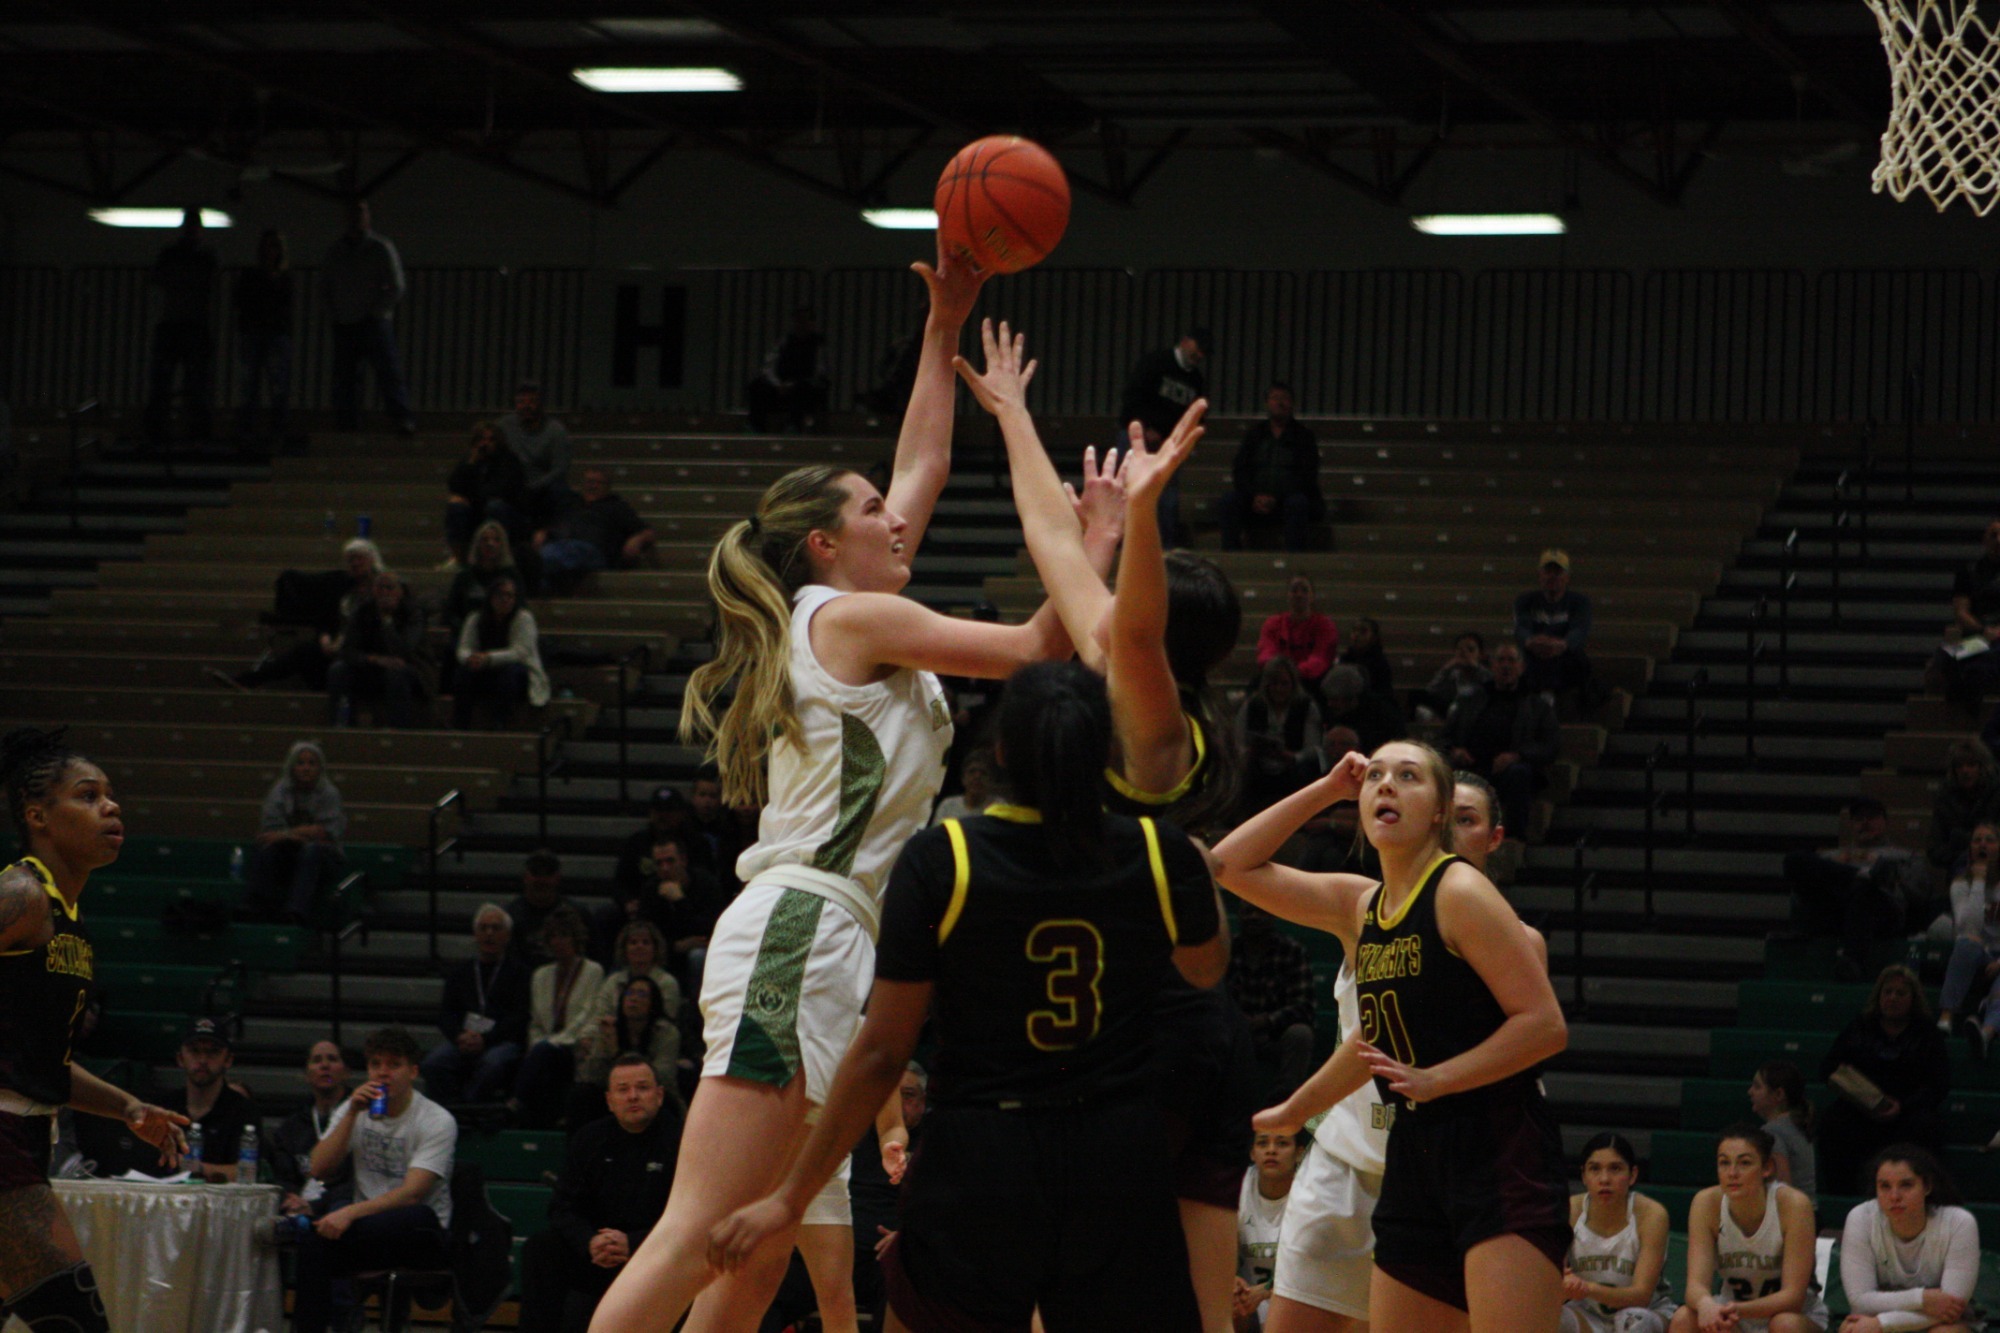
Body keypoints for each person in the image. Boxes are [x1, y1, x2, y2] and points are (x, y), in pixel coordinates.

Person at [589, 243, 1086, 1333]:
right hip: (800, 928)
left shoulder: (845, 612)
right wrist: (1088, 531)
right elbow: (1041, 640)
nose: (896, 514)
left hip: (832, 938)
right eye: (872, 509)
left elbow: (920, 466)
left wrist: (943, 326)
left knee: (752, 1253)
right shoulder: (845, 614)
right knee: (695, 1228)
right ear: (826, 542)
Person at [706, 659, 1229, 1333]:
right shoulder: (1159, 854)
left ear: (1002, 750)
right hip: (1115, 1153)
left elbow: (881, 1052)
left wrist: (789, 1195)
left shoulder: (942, 854)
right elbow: (1205, 967)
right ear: (1107, 751)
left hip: (982, 1153)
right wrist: (1197, 869)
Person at [958, 320, 1257, 1332]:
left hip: (1162, 1028)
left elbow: (1130, 625)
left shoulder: (1160, 731)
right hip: (1119, 1014)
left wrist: (1147, 517)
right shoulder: (1128, 674)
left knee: (1156, 1296)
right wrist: (1012, 416)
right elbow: (1050, 537)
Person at [1213, 751, 1556, 1333]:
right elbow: (1225, 865)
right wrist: (1325, 790)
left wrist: (1436, 1080)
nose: (1385, 787)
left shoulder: (1469, 899)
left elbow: (1544, 1026)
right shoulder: (1366, 906)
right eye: (1375, 777)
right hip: (1399, 1154)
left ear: (1441, 814)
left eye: (1406, 777)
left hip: (1489, 1145)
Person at [0, 727, 188, 1333]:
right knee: (75, 1318)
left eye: (111, 795)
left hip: (29, 1132)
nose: (111, 807)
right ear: (39, 817)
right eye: (87, 795)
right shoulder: (20, 894)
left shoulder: (69, 922)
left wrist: (129, 1106)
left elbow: (42, 1064)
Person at [297, 1026, 458, 1333]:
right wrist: (350, 1115)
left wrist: (348, 1214)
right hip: (366, 1227)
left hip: (421, 1231)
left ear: (412, 1071)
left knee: (405, 1213)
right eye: (375, 1065)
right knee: (313, 1241)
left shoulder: (436, 1120)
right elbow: (317, 1168)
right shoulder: (354, 1107)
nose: (383, 1073)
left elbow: (412, 1193)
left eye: (393, 1065)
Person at [523, 1055, 684, 1333]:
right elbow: (562, 1207)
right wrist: (590, 1241)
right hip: (598, 1251)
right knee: (541, 1248)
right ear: (610, 1101)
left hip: (656, 1253)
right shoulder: (589, 1139)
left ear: (659, 1095)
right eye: (623, 1090)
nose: (633, 1096)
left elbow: (687, 1217)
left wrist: (632, 1243)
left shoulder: (682, 1140)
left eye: (642, 1088)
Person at [1671, 1125, 1826, 1333]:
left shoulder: (1793, 1204)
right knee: (1683, 1318)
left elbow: (1793, 1298)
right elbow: (1695, 1287)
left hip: (1792, 1315)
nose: (1732, 1173)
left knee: (1785, 1324)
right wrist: (1707, 1305)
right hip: (1733, 1313)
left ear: (1767, 1167)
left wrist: (1733, 1310)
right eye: (1724, 1163)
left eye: (1744, 1163)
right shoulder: (1706, 1203)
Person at [1815, 965, 1951, 1196]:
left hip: (1909, 1110)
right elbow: (1829, 1069)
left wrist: (1902, 1106)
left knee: (1925, 1127)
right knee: (1833, 1123)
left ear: (1913, 999)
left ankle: (1921, 1194)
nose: (1892, 998)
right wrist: (1863, 1098)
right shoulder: (1860, 1027)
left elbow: (1939, 1084)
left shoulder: (1927, 1034)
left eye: (1900, 993)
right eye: (1887, 992)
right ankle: (1842, 1196)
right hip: (1861, 1107)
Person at [1837, 1144, 1979, 1333]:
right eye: (1885, 1186)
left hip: (1941, 1323)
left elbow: (1952, 1308)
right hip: (1875, 1318)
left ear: (1927, 1186)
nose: (1894, 1196)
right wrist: (1921, 1299)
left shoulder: (1959, 1223)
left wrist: (1882, 1324)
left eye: (1906, 1185)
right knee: (1853, 1329)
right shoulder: (1861, 1218)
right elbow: (1860, 1300)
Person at [211, 538, 383, 693]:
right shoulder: (342, 585)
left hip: (364, 653)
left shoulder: (384, 588)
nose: (354, 563)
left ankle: (248, 681)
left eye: (359, 558)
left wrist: (344, 644)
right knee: (305, 652)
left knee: (309, 656)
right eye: (351, 559)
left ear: (372, 560)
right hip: (338, 650)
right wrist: (324, 638)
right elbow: (326, 619)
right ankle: (246, 681)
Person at [1784, 798, 1927, 981]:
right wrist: (1838, 867)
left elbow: (1920, 894)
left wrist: (1892, 877)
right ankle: (1860, 873)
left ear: (1884, 821)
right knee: (1794, 860)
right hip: (1835, 910)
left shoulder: (1904, 856)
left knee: (1864, 889)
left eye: (1871, 817)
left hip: (1879, 912)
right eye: (1859, 819)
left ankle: (1852, 962)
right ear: (1852, 825)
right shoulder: (1832, 855)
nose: (1865, 823)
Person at [1442, 642, 1559, 845]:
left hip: (1510, 772)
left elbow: (1550, 746)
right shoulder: (1470, 700)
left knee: (1519, 773)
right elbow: (1445, 738)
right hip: (1472, 768)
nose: (1506, 666)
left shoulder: (1537, 706)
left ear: (1521, 667)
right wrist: (1455, 750)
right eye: (1501, 660)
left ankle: (1513, 838)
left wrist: (1517, 755)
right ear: (1492, 666)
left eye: (1511, 660)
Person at [1560, 1132, 1676, 1333]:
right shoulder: (1570, 1211)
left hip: (1645, 1311)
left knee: (1633, 1321)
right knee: (1550, 1315)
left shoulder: (1651, 1214)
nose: (1604, 1179)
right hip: (1587, 1312)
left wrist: (1588, 1288)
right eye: (1594, 1169)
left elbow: (1641, 1296)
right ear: (1583, 1176)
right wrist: (1562, 1285)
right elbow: (1556, 1283)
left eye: (1615, 1168)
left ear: (1632, 1175)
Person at [421, 904, 532, 1103]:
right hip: (464, 1039)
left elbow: (520, 1017)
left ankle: (469, 1110)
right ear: (475, 934)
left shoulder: (520, 973)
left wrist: (486, 1039)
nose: (489, 933)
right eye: (483, 928)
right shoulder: (460, 972)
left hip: (501, 1040)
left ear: (507, 936)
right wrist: (459, 1036)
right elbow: (446, 1014)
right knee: (433, 1063)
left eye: (496, 928)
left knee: (493, 1064)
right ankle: (452, 1112)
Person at [322, 199, 414, 435]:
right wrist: (336, 311)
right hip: (348, 321)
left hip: (372, 322)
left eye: (360, 212)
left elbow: (396, 286)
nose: (356, 218)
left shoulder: (380, 247)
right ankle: (348, 423)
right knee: (348, 378)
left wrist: (377, 312)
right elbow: (326, 286)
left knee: (386, 372)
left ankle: (400, 419)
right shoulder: (337, 251)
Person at [514, 906, 604, 1130]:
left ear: (575, 939)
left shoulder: (593, 971)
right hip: (544, 1050)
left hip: (574, 1045)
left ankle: (515, 1101)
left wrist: (553, 1043)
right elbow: (536, 1021)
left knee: (543, 1055)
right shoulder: (541, 975)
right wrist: (539, 1045)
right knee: (540, 1059)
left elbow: (588, 1015)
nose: (558, 942)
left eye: (564, 935)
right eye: (553, 936)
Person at [245, 740, 345, 924]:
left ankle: (295, 912)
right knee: (265, 848)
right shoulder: (279, 792)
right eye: (300, 763)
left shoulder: (329, 794)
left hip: (325, 859)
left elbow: (323, 834)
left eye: (311, 763)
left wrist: (286, 835)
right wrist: (301, 834)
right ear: (292, 767)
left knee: (312, 850)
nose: (306, 768)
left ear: (320, 768)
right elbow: (269, 833)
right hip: (289, 855)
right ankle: (256, 910)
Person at [149, 1017, 258, 1182]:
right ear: (180, 1058)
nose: (202, 1060)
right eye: (194, 1051)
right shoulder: (164, 1107)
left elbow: (249, 1171)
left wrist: (196, 1168)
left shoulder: (244, 1110)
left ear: (228, 1060)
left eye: (212, 1052)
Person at [1218, 383, 1324, 552]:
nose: (1280, 403)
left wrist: (1277, 497)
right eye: (1275, 398)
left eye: (1285, 399)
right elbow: (1240, 470)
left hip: (1286, 502)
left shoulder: (1304, 436)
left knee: (1299, 503)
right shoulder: (1254, 434)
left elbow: (1307, 476)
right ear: (1267, 403)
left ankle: (1294, 558)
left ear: (1292, 404)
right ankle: (1232, 556)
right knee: (1229, 501)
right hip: (1254, 501)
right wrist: (1254, 496)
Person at [144, 206, 218, 447]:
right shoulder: (203, 257)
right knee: (190, 382)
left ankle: (164, 430)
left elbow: (158, 280)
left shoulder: (174, 255)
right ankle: (192, 431)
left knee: (175, 382)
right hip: (186, 323)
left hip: (179, 323)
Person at [1227, 904, 1316, 1100]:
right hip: (1234, 1034)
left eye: (1261, 911)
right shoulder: (1227, 950)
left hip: (1275, 1035)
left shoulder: (1291, 951)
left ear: (1273, 915)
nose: (1254, 917)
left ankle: (1283, 1102)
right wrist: (1240, 1022)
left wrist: (1266, 1021)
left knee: (1301, 1034)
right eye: (1248, 912)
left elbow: (1304, 1007)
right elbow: (1214, 999)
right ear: (1238, 916)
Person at [327, 569, 436, 729]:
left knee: (396, 672)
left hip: (411, 669)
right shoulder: (363, 611)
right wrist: (374, 659)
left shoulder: (413, 612)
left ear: (400, 591)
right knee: (338, 670)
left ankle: (398, 730)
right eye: (380, 587)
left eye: (389, 587)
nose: (384, 592)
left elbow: (405, 650)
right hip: (373, 667)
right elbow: (347, 651)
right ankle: (341, 726)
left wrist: (387, 621)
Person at [569, 976, 680, 1130]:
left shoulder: (666, 1032)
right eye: (629, 993)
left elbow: (664, 1077)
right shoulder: (610, 1028)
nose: (633, 999)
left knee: (665, 1101)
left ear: (653, 1002)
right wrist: (603, 1047)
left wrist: (617, 1053)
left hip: (652, 1097)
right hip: (617, 1096)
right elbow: (590, 1075)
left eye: (641, 994)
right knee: (582, 1094)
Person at [270, 1040, 357, 1221]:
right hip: (298, 1206)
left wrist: (316, 1206)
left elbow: (357, 1181)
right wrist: (291, 1198)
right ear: (306, 1075)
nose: (324, 1065)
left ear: (347, 1072)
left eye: (332, 1059)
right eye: (317, 1060)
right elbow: (282, 1177)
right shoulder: (291, 1128)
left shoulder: (361, 1118)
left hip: (343, 1207)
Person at [536, 466, 657, 590]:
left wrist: (637, 539)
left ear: (607, 486)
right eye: (589, 482)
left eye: (598, 483)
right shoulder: (571, 503)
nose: (592, 486)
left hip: (592, 551)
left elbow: (648, 532)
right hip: (560, 546)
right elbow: (553, 525)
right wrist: (543, 532)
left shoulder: (616, 506)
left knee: (558, 554)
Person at [1937, 820, 2000, 1056]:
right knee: (1967, 942)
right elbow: (1968, 926)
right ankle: (1946, 1017)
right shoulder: (1961, 884)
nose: (1982, 844)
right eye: (1977, 840)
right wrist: (1980, 880)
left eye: (1990, 840)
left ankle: (1986, 1034)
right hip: (1977, 954)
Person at [1924, 519, 2000, 713]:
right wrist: (1984, 630)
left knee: (1983, 664)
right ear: (1985, 540)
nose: (1998, 540)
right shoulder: (1969, 572)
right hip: (1980, 637)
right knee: (1946, 654)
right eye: (1993, 535)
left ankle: (1970, 686)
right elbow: (1961, 612)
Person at [453, 575, 548, 730]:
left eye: (509, 595)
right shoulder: (475, 618)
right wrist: (471, 658)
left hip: (517, 672)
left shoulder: (524, 618)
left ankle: (501, 723)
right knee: (463, 673)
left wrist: (488, 658)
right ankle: (461, 723)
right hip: (484, 669)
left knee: (509, 674)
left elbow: (520, 652)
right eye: (500, 595)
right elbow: (463, 648)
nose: (505, 600)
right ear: (490, 597)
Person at [1236, 1129, 1305, 1333]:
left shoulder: (1310, 1192)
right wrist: (1233, 1285)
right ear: (1252, 1153)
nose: (1271, 1151)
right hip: (1249, 1308)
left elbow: (1321, 1271)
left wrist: (1267, 1291)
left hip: (1297, 1303)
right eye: (1263, 1143)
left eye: (1282, 1144)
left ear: (1299, 1153)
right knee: (1228, 1299)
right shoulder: (1237, 1188)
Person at [233, 226, 294, 446]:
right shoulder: (256, 276)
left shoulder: (281, 278)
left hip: (272, 334)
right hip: (257, 333)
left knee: (275, 386)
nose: (271, 251)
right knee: (252, 386)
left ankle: (274, 431)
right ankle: (250, 430)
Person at [1241, 657, 1325, 812]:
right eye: (1274, 684)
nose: (1279, 689)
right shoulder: (1253, 706)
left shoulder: (1306, 707)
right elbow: (1239, 740)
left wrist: (1293, 757)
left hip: (1292, 763)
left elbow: (1313, 747)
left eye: (1284, 684)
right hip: (1259, 763)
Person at [1516, 549, 1595, 709]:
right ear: (1540, 575)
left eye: (1558, 572)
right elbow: (1522, 629)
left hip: (1566, 659)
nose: (1552, 576)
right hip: (1534, 656)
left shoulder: (1580, 602)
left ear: (1567, 577)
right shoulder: (1525, 600)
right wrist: (1532, 641)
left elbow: (1579, 631)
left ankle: (1547, 698)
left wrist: (1560, 645)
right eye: (1547, 571)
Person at [445, 422, 530, 566]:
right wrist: (471, 462)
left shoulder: (508, 460)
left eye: (491, 440)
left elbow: (501, 490)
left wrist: (473, 498)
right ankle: (458, 558)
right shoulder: (473, 460)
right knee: (456, 506)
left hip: (506, 509)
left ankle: (501, 558)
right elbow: (455, 485)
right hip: (477, 508)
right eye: (482, 439)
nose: (485, 443)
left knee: (495, 506)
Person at [498, 380, 574, 530]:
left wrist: (533, 488)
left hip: (543, 490)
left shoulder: (556, 430)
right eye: (521, 402)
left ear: (541, 404)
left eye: (532, 401)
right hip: (513, 489)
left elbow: (560, 469)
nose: (526, 406)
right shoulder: (503, 426)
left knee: (561, 492)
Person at [1927, 741, 1999, 890]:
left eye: (1971, 765)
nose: (1965, 771)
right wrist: (1968, 855)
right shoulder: (1944, 799)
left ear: (1982, 767)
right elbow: (1934, 849)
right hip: (1958, 874)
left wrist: (1960, 841)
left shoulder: (1997, 796)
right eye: (1959, 766)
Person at [745, 306, 830, 433]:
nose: (801, 324)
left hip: (804, 385)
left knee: (804, 389)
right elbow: (769, 366)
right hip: (780, 385)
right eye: (797, 320)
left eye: (805, 320)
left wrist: (792, 384)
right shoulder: (784, 342)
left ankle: (793, 425)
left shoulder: (818, 344)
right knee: (757, 386)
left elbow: (820, 371)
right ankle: (756, 426)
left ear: (812, 323)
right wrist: (777, 384)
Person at [1257, 577, 1339, 698]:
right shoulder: (1273, 623)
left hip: (1310, 681)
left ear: (1312, 596)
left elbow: (1320, 658)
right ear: (1288, 595)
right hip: (1277, 677)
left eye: (1304, 590)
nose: (1299, 595)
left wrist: (1291, 673)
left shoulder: (1325, 625)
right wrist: (1281, 673)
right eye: (1294, 590)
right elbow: (1266, 652)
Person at [1749, 1061, 1818, 1202]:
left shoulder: (1772, 1131)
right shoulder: (1797, 1124)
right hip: (1807, 1213)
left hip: (1794, 1217)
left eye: (1757, 1086)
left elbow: (1782, 1189)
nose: (1750, 1091)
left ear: (1779, 1094)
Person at [1321, 664, 1406, 756]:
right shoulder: (1336, 714)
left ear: (1350, 699)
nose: (1329, 704)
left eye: (1334, 699)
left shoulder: (1381, 716)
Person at [508, 849, 573, 968]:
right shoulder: (510, 916)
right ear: (525, 877)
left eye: (548, 874)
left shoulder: (576, 914)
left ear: (558, 878)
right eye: (536, 873)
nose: (542, 880)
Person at [1424, 632, 1494, 719]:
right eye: (1460, 650)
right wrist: (1446, 670)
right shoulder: (1451, 675)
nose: (1465, 654)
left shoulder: (1485, 675)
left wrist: (1476, 668)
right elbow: (1431, 692)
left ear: (1480, 654)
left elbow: (1493, 688)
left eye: (1471, 650)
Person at [930, 745, 996, 825]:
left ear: (990, 780)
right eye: (972, 772)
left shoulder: (998, 808)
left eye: (983, 773)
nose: (977, 777)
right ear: (963, 778)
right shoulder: (948, 806)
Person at [1338, 617, 1395, 699]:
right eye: (1354, 630)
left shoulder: (1379, 662)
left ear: (1374, 637)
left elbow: (1383, 693)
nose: (1356, 634)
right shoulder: (1345, 658)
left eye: (1363, 631)